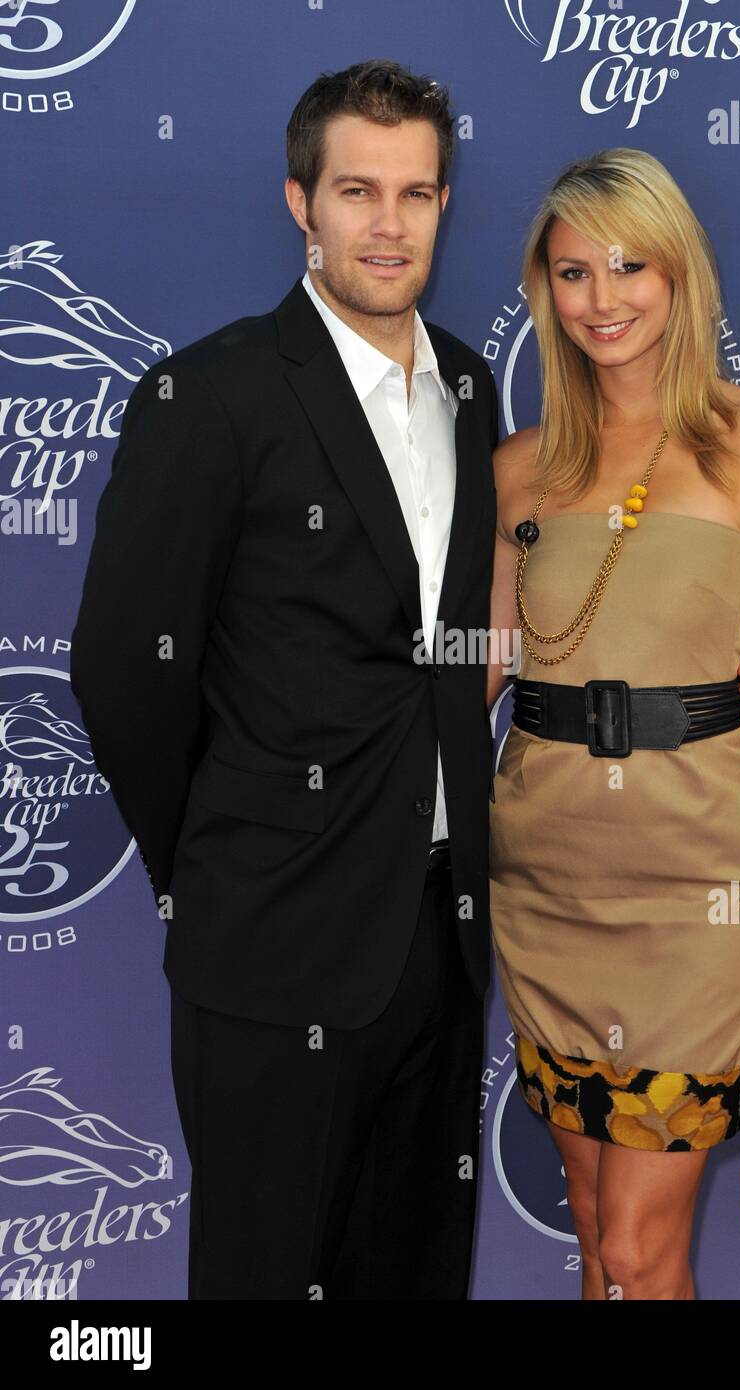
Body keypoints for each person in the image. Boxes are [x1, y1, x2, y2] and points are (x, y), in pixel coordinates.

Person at [69, 59, 499, 1300]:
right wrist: (220, 854)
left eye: (416, 193)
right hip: (269, 940)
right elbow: (123, 671)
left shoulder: (469, 387)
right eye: (357, 190)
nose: (388, 223)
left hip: (439, 934)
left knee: (412, 1278)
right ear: (299, 203)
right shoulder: (210, 397)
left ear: (443, 204)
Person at [486, 147, 740, 1301]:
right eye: (576, 271)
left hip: (699, 896)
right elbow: (471, 678)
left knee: (643, 1255)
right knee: (598, 1240)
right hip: (543, 888)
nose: (605, 298)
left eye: (632, 265)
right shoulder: (518, 471)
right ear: (546, 290)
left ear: (682, 273)